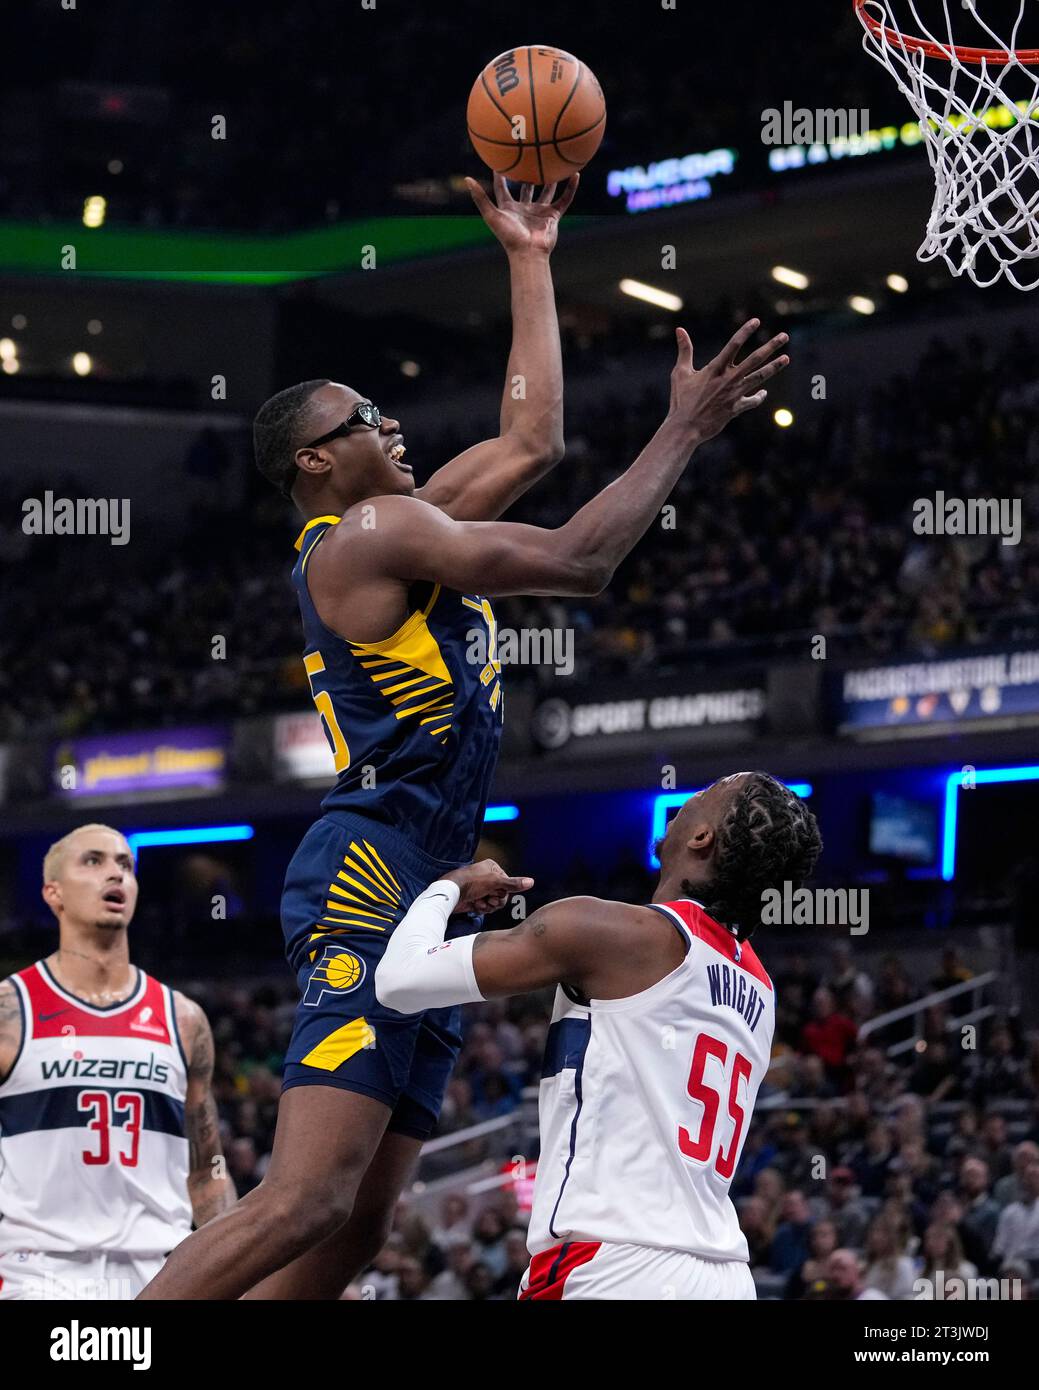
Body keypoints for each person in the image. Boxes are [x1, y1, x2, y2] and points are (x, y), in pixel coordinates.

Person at [140, 174, 789, 1300]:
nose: (388, 424)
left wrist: (529, 254)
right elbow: (582, 561)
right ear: (313, 462)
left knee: (353, 1230)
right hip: (369, 861)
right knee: (304, 1197)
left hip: (428, 864)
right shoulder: (374, 531)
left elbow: (531, 436)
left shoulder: (406, 523)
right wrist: (681, 428)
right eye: (361, 420)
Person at [376, 772, 821, 1299]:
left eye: (699, 797)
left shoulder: (612, 932)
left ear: (703, 838)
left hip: (615, 1265)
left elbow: (399, 980)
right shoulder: (760, 988)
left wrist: (447, 888)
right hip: (723, 1275)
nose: (684, 802)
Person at [0, 825, 232, 1300]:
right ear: (53, 892)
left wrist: (233, 1275)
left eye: (125, 865)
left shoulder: (184, 1019)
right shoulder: (10, 1011)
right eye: (94, 861)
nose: (115, 874)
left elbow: (207, 1171)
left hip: (163, 1276)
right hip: (38, 1274)